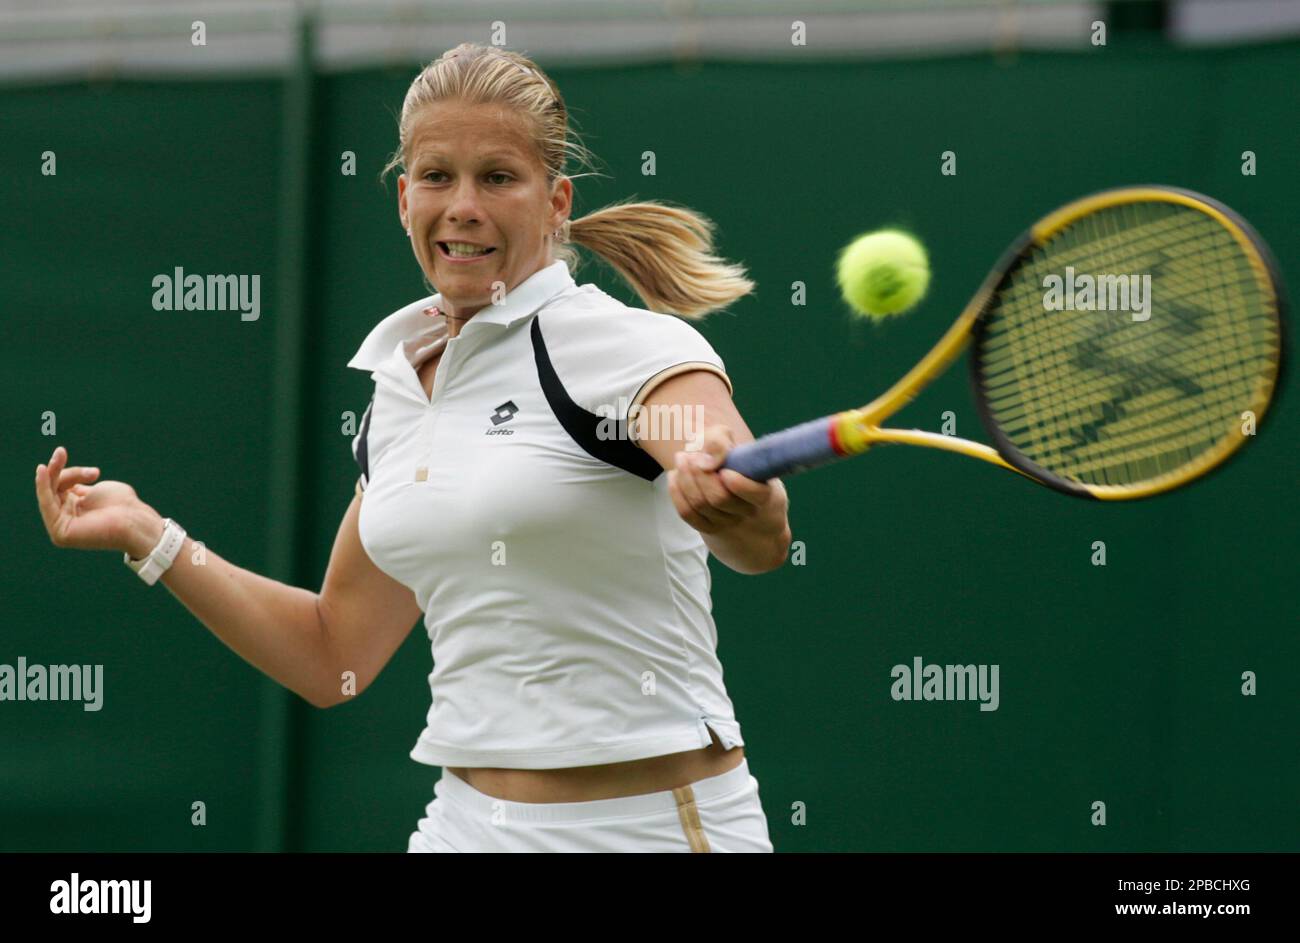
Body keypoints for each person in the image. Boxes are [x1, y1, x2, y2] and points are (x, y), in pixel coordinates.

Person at [34, 42, 791, 853]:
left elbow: (750, 518)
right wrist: (152, 537)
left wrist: (732, 499)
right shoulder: (398, 392)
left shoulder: (627, 347)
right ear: (404, 198)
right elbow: (334, 651)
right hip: (465, 826)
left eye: (498, 177)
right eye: (437, 176)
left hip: (649, 830)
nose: (463, 205)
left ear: (556, 201)